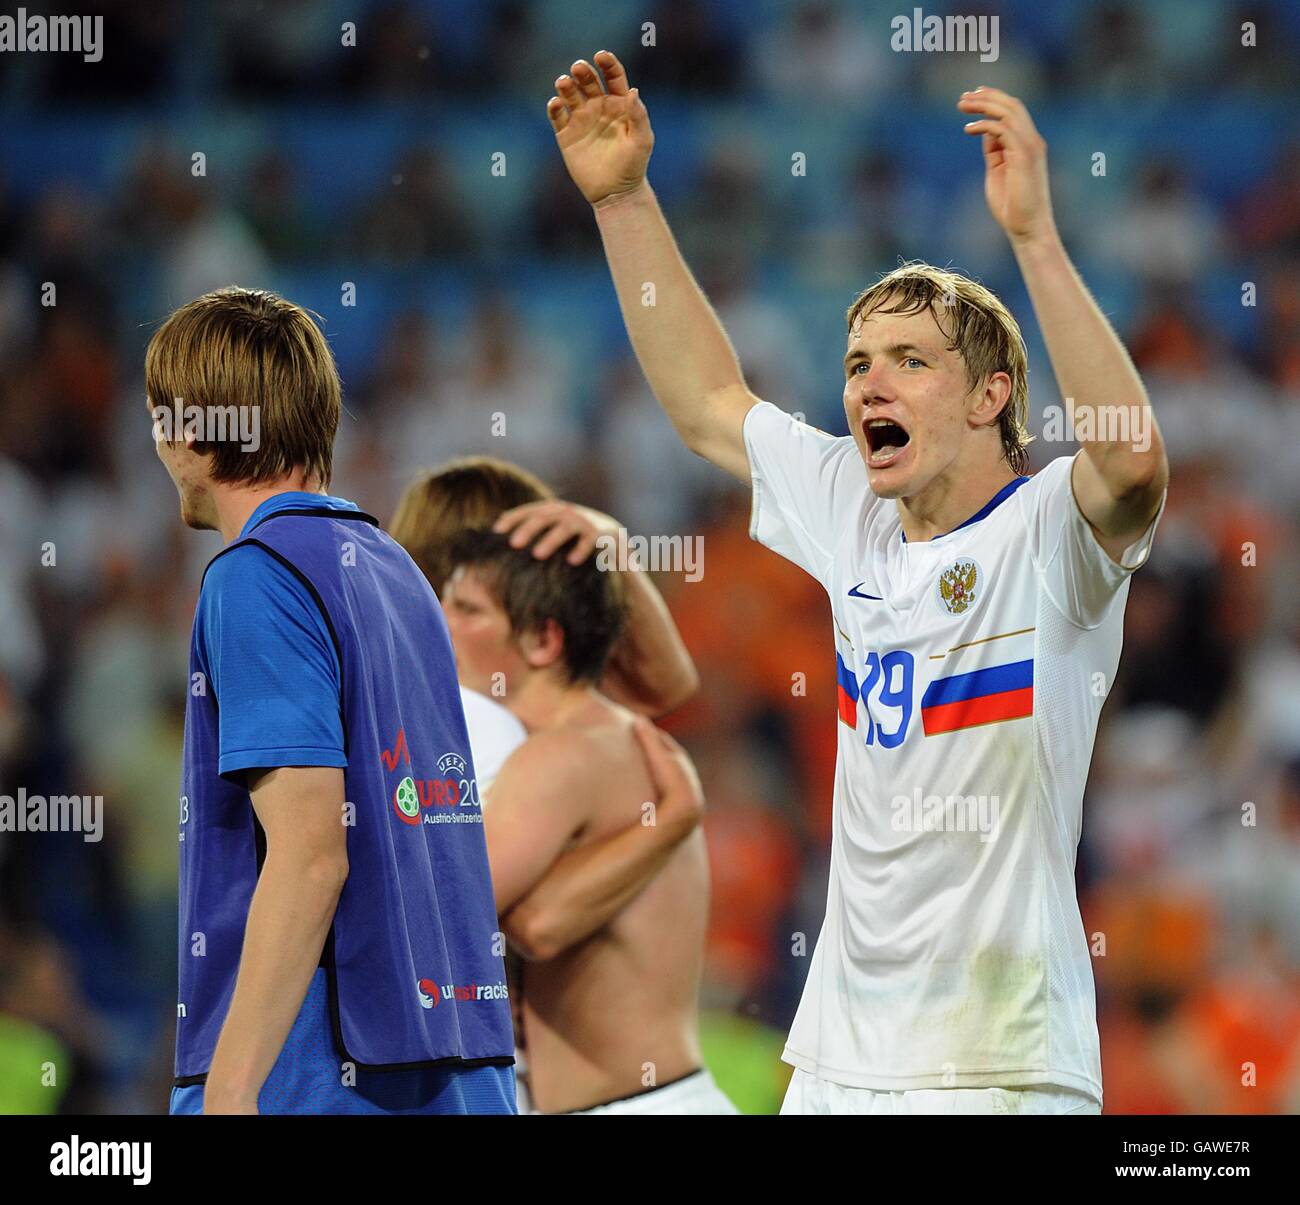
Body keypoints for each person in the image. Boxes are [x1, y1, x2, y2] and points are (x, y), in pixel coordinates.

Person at [546, 50, 1169, 1115]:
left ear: (990, 397)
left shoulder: (1050, 532)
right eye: (856, 361)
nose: (868, 379)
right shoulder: (851, 504)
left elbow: (1133, 459)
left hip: (998, 1058)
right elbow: (705, 398)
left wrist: (1033, 241)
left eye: (909, 359)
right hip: (838, 1055)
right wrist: (623, 199)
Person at [149, 287, 514, 1114]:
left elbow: (313, 853)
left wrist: (231, 1093)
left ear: (196, 431)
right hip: (460, 1069)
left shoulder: (254, 576)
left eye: (160, 419)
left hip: (319, 1071)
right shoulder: (395, 567)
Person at [433, 526, 736, 1114]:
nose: (438, 621)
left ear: (544, 640)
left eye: (466, 609)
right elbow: (541, 920)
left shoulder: (561, 756)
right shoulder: (611, 736)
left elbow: (447, 907)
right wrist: (670, 821)